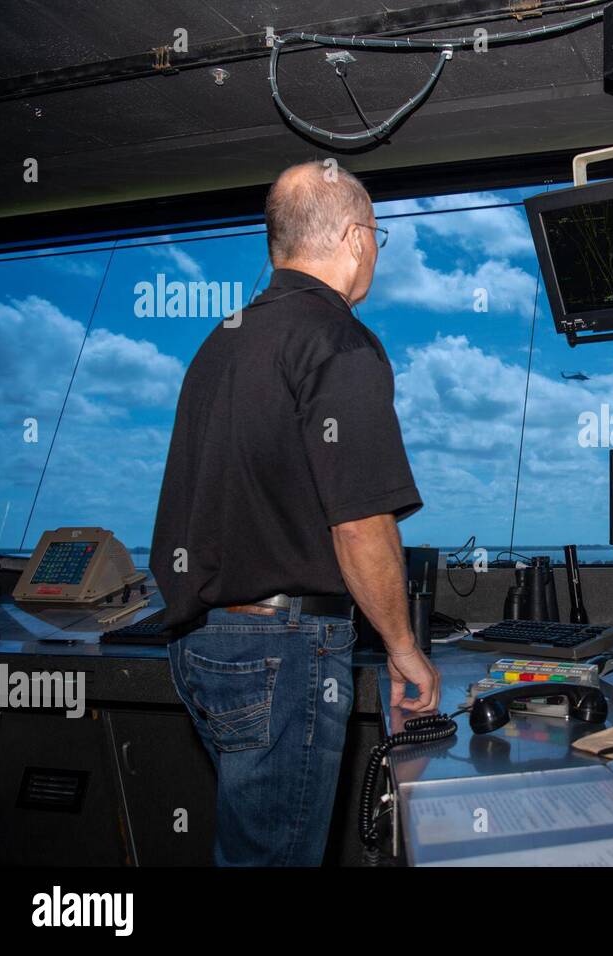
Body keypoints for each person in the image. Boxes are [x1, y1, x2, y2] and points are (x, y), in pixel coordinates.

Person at [150, 161, 441, 865]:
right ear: (356, 238)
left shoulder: (224, 338)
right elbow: (359, 521)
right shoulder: (337, 341)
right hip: (281, 651)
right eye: (377, 238)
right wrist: (401, 647)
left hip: (200, 646)